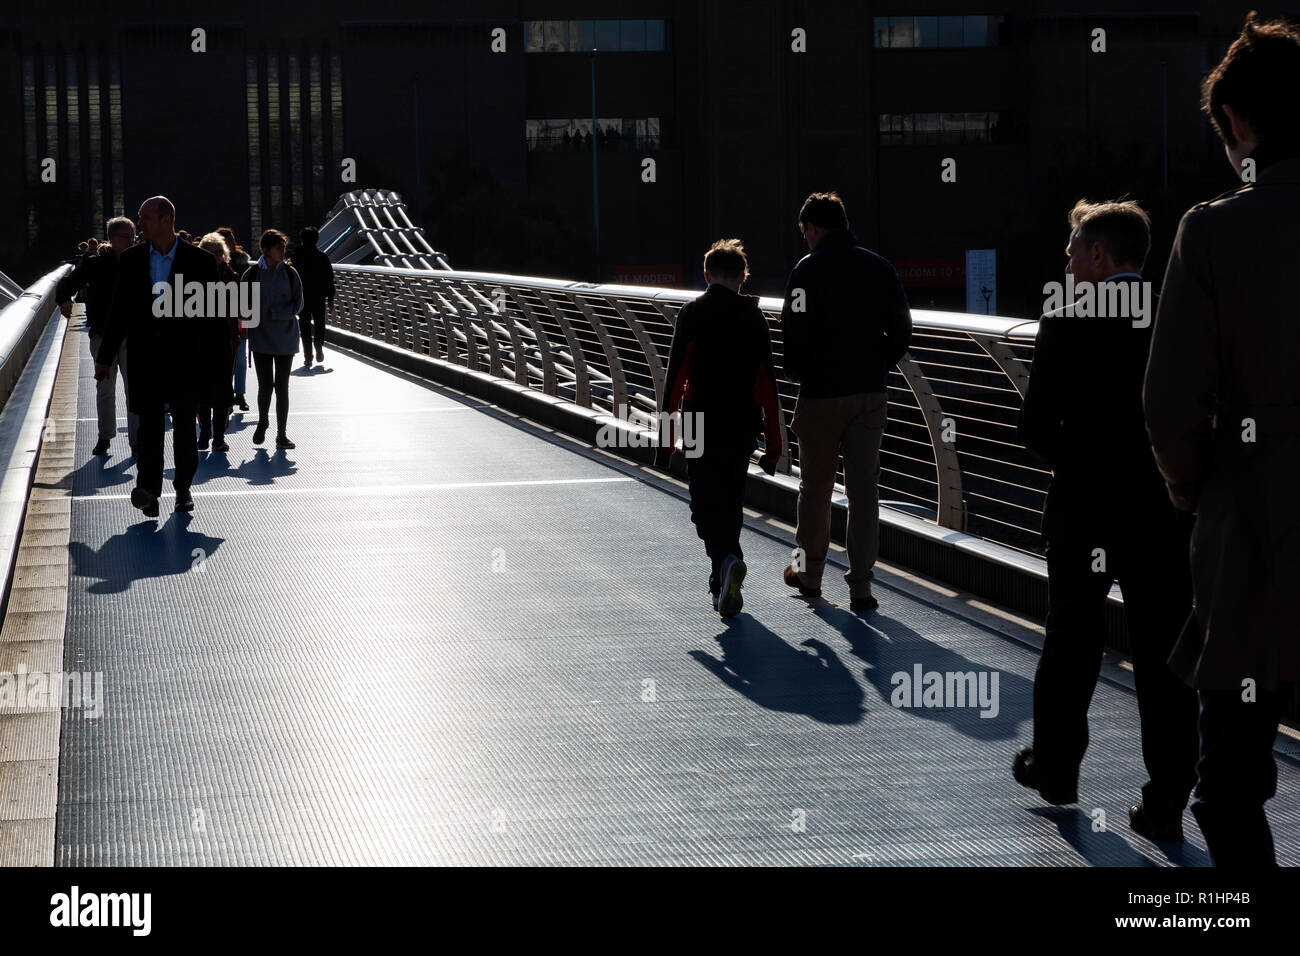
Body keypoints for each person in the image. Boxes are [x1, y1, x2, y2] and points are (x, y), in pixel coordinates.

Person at [1144, 12, 1300, 867]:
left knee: (1230, 785)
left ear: (1238, 123)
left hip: (1249, 535)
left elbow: (1169, 403)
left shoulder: (1213, 231)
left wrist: (1200, 491)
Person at [1012, 199, 1198, 843]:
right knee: (1163, 651)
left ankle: (1058, 770)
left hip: (1083, 510)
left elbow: (1034, 427)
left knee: (1071, 640)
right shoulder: (1177, 308)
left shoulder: (1065, 315)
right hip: (1160, 511)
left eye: (1072, 250)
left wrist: (1083, 464)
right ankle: (1168, 799)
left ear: (1098, 255)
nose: (1065, 261)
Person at [779, 192, 912, 612]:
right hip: (869, 393)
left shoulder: (805, 271)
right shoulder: (879, 267)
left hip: (820, 394)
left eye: (804, 232)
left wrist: (802, 372)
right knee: (863, 490)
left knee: (815, 488)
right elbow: (902, 327)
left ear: (813, 229)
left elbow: (792, 332)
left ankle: (810, 574)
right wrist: (879, 362)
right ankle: (861, 585)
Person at [658, 239, 783, 617]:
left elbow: (675, 377)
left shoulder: (692, 312)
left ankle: (727, 562)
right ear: (743, 278)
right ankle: (721, 580)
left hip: (698, 421)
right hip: (742, 424)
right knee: (730, 500)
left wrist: (666, 442)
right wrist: (775, 447)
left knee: (702, 503)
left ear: (707, 275)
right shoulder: (754, 317)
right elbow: (768, 385)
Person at [95, 196, 229, 516]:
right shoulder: (131, 260)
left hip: (185, 360)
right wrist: (105, 357)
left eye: (145, 218)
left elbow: (215, 319)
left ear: (166, 220)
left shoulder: (199, 261)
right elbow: (119, 313)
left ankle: (183, 488)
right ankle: (150, 491)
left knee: (184, 427)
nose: (140, 224)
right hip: (146, 360)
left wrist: (220, 370)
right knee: (149, 428)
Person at [56, 216, 138, 456]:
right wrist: (63, 300)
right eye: (126, 237)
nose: (131, 241)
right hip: (102, 335)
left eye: (132, 236)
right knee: (105, 388)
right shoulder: (95, 264)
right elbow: (71, 281)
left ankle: (136, 441)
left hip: (132, 335)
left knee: (134, 389)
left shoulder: (140, 261)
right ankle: (105, 436)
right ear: (112, 238)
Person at [243, 229, 303, 449]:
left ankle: (282, 434)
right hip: (260, 337)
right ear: (266, 250)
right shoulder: (251, 274)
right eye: (279, 248)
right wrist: (244, 326)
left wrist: (279, 313)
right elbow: (242, 305)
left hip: (286, 337)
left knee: (282, 386)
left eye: (284, 247)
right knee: (265, 385)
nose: (283, 252)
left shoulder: (290, 273)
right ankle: (263, 421)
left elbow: (299, 303)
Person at [195, 232, 242, 453]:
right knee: (202, 388)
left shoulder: (232, 277)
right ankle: (205, 433)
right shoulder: (193, 277)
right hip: (201, 338)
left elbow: (240, 307)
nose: (215, 257)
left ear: (224, 254)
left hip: (226, 338)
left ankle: (219, 437)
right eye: (209, 253)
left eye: (217, 253)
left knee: (223, 389)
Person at [291, 225, 335, 368]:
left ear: (302, 240)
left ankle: (308, 357)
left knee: (304, 326)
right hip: (319, 295)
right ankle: (318, 342)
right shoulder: (322, 257)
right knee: (319, 322)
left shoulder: (295, 256)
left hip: (302, 296)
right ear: (316, 240)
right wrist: (331, 298)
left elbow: (290, 276)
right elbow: (329, 278)